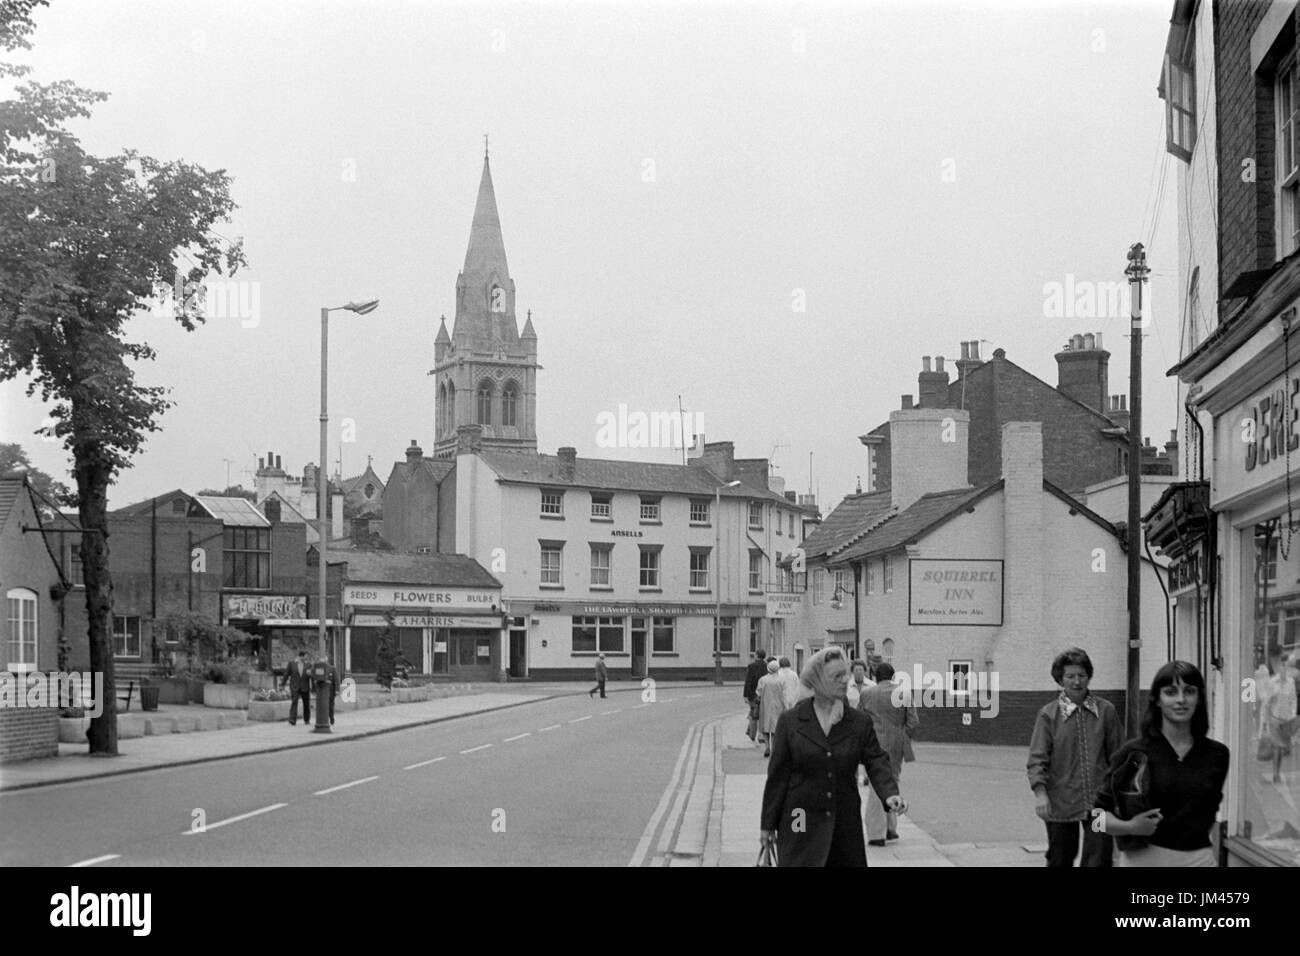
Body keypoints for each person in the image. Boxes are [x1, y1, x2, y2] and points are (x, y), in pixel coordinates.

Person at [759, 647, 905, 867]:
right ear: (816, 681)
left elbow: (876, 759)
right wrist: (767, 825)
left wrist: (889, 794)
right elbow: (778, 776)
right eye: (836, 676)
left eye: (845, 674)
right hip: (800, 818)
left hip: (843, 822)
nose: (844, 680)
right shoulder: (791, 722)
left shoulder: (858, 722)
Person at [1095, 660, 1230, 867]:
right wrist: (1131, 827)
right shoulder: (1133, 754)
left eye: (1189, 691)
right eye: (1171, 692)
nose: (1181, 700)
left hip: (1199, 860)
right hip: (1143, 861)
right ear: (1157, 700)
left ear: (1199, 698)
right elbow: (1096, 819)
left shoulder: (1218, 755)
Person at [1026, 647, 1123, 867]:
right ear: (1060, 679)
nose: (1077, 682)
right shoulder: (1048, 715)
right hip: (1060, 802)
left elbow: (1119, 756)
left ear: (1089, 676)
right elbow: (1037, 759)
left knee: (1099, 858)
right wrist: (1041, 794)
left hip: (1100, 804)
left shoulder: (1106, 711)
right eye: (1070, 676)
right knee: (1060, 858)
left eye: (1082, 675)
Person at [858, 662, 918, 845]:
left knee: (877, 786)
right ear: (893, 677)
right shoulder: (904, 694)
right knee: (892, 781)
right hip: (896, 746)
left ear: (875, 676)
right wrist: (902, 736)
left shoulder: (867, 693)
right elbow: (913, 721)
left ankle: (877, 833)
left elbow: (859, 719)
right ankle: (891, 828)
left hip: (873, 745)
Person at [757, 660, 786, 757]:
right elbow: (785, 693)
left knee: (765, 726)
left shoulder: (763, 679)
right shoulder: (782, 679)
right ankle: (774, 748)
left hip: (766, 704)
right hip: (778, 705)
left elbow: (759, 693)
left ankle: (766, 747)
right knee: (775, 727)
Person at [281, 650, 312, 727]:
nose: (307, 658)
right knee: (294, 702)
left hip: (305, 687)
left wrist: (311, 675)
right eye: (306, 656)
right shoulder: (292, 664)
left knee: (306, 703)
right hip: (295, 686)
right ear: (301, 656)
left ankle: (307, 719)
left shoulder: (308, 665)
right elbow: (286, 674)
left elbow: (312, 677)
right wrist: (282, 685)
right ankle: (292, 720)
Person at [743, 648, 768, 743]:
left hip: (753, 694)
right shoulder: (766, 666)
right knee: (761, 714)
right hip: (764, 694)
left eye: (755, 654)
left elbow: (748, 682)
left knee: (754, 713)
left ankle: (752, 734)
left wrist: (745, 695)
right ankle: (757, 733)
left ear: (757, 655)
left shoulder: (751, 666)